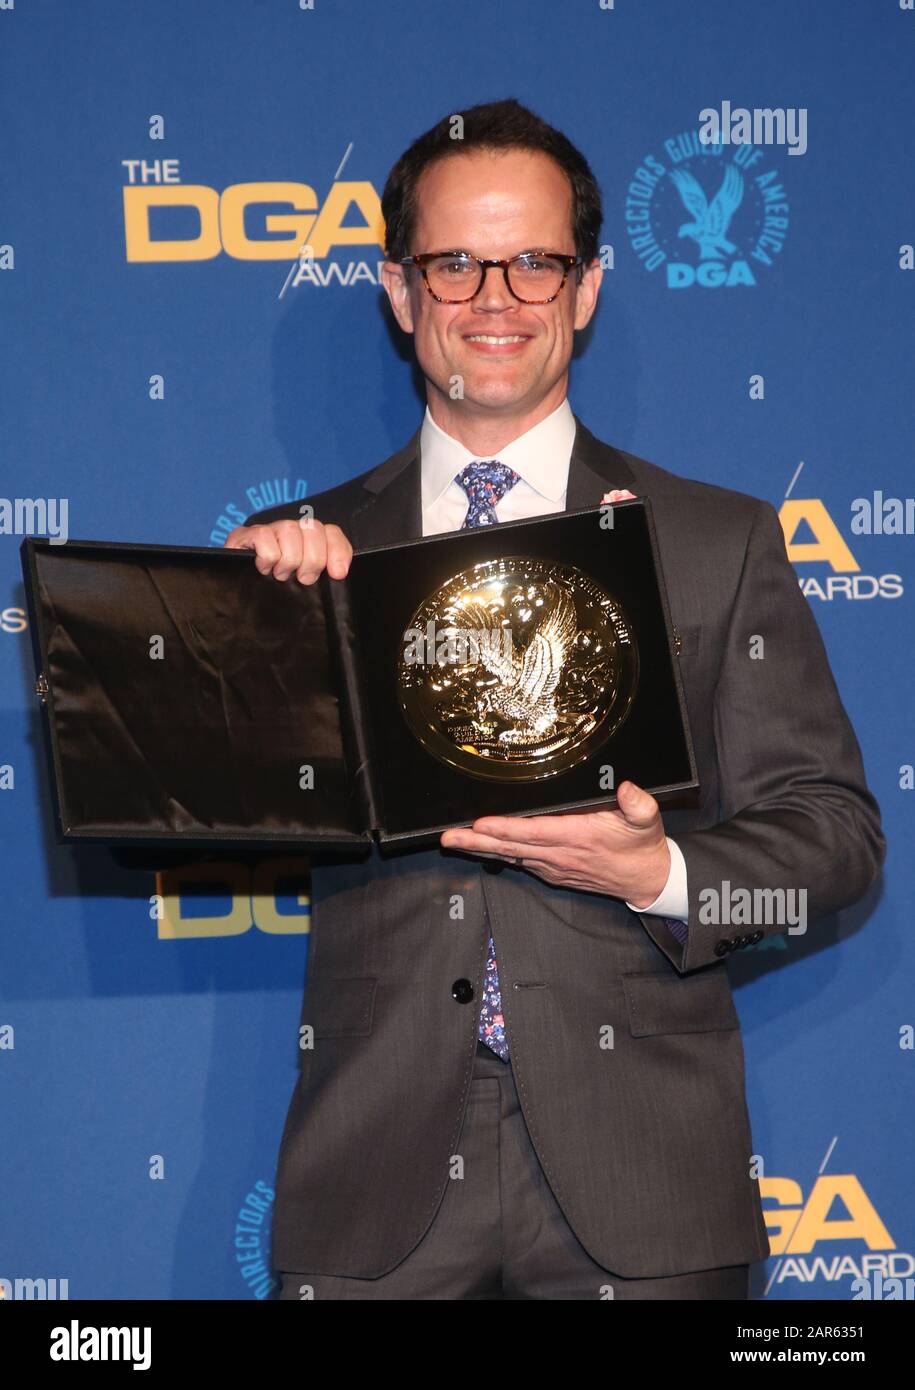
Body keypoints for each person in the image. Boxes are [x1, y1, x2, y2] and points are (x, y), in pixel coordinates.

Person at [226, 98, 885, 1300]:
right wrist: (251, 650)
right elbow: (214, 819)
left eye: (534, 262)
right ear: (396, 287)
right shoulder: (305, 556)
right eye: (455, 262)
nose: (493, 299)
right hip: (373, 1178)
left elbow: (834, 845)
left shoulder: (712, 540)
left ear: (585, 289)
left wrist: (660, 875)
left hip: (647, 1182)